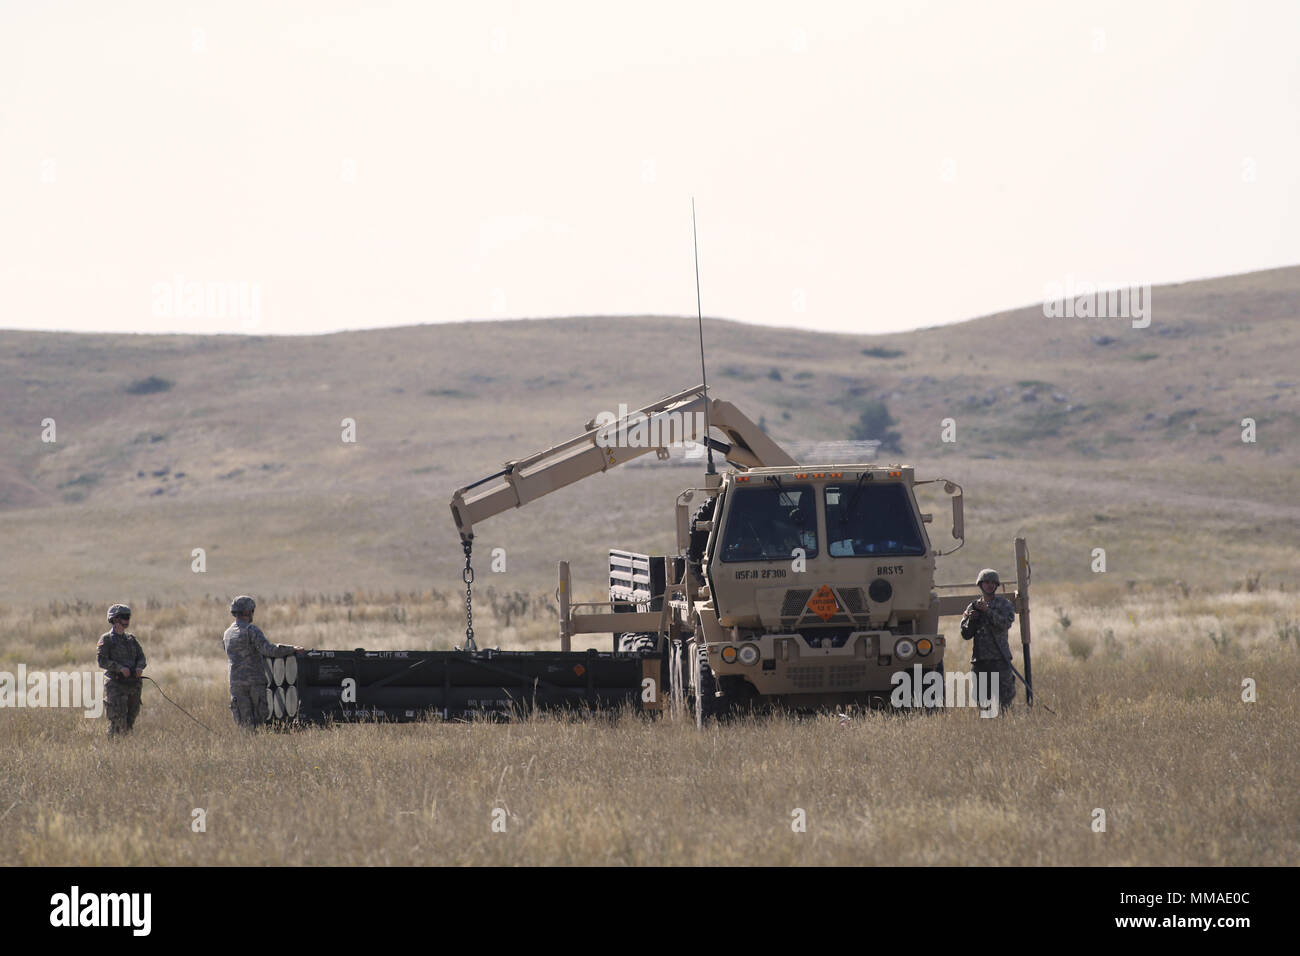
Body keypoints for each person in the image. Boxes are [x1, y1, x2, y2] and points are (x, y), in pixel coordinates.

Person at [223, 595, 302, 729]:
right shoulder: (251, 630)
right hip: (254, 683)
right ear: (248, 612)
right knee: (259, 725)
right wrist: (291, 649)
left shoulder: (227, 634)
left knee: (244, 726)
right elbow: (269, 650)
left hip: (236, 684)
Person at [960, 568, 1016, 713]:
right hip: (980, 661)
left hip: (1000, 660)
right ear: (980, 584)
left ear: (997, 585)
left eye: (993, 583)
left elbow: (1005, 624)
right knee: (983, 703)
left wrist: (988, 611)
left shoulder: (1004, 604)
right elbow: (965, 634)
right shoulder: (973, 606)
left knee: (1005, 701)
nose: (990, 585)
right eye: (986, 582)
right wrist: (971, 620)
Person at [97, 604, 146, 736]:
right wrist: (119, 669)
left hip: (133, 685)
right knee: (117, 721)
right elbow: (102, 661)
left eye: (128, 617)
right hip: (116, 686)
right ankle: (114, 748)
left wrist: (139, 667)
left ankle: (126, 750)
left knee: (130, 722)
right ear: (115, 619)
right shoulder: (106, 640)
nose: (127, 620)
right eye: (124, 617)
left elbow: (141, 657)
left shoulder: (131, 640)